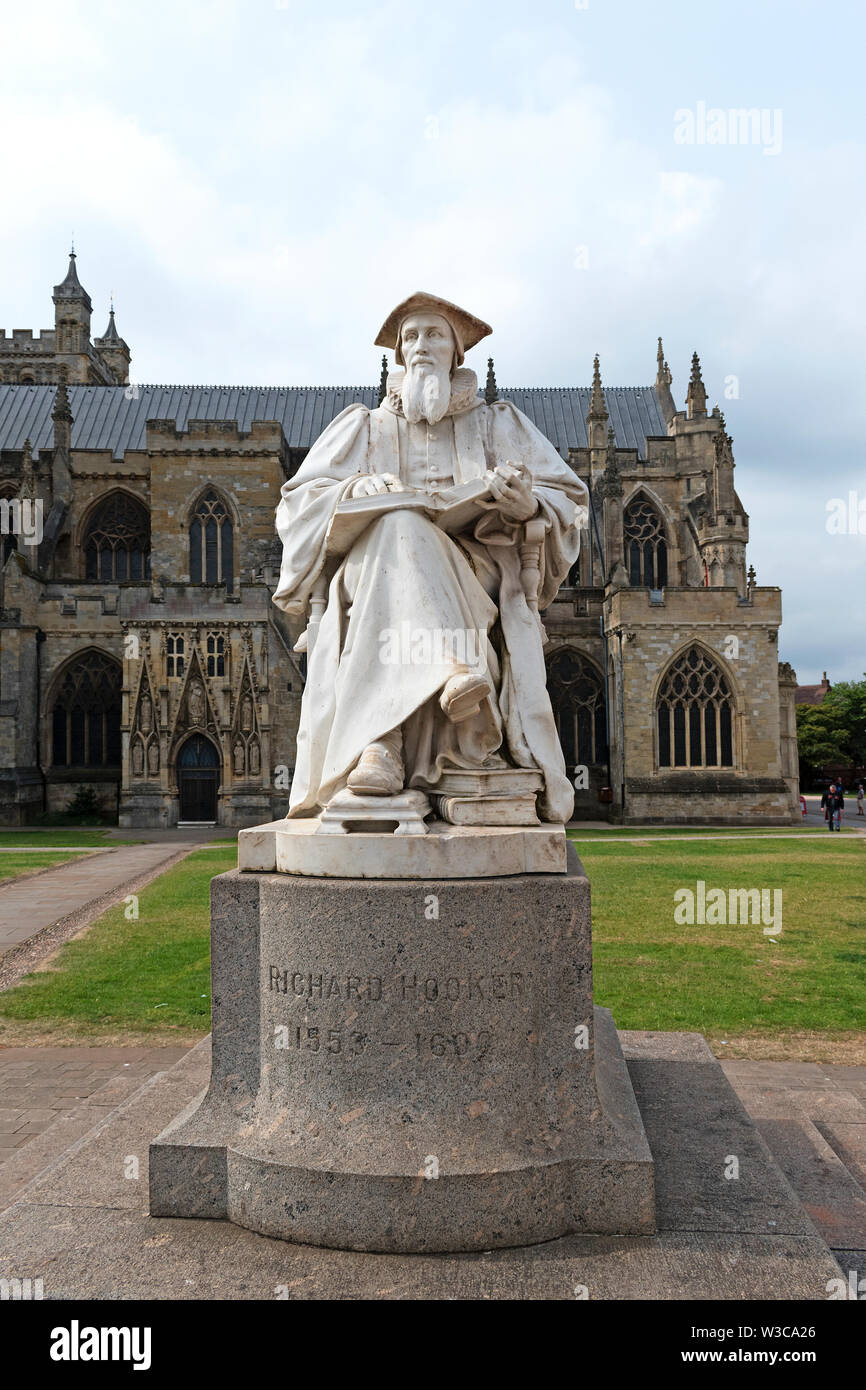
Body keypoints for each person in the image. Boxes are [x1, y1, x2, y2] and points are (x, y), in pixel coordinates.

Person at [273, 292, 588, 822]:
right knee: (398, 524)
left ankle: (383, 746)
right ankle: (456, 671)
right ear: (399, 353)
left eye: (434, 334)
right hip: (370, 571)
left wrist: (528, 501)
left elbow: (571, 501)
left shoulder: (498, 425)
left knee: (404, 528)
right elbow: (296, 505)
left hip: (475, 572)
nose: (422, 345)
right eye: (411, 336)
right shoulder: (363, 427)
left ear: (456, 352)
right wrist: (352, 490)